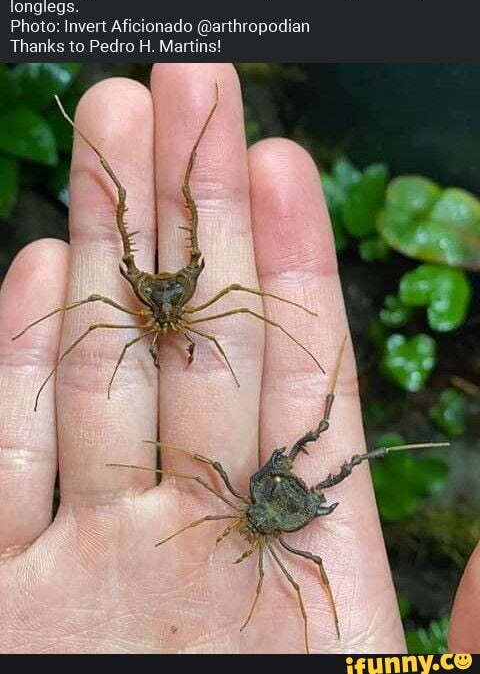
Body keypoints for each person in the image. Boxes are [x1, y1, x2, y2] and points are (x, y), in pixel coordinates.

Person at [0, 63, 476, 654]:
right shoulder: (146, 327)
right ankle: (84, 126)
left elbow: (239, 322)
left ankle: (184, 137)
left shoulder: (243, 514)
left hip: (264, 468)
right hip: (161, 308)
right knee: (117, 245)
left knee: (208, 251)